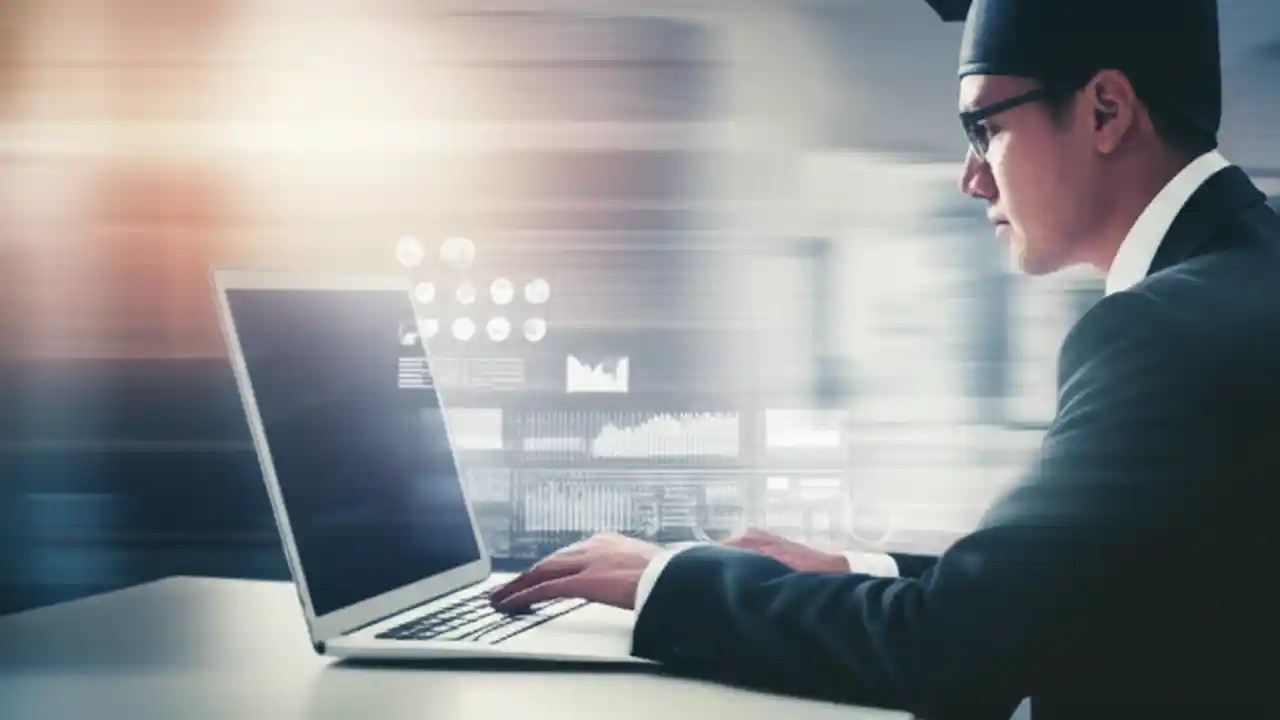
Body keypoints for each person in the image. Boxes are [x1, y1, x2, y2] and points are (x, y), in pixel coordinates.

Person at [491, 1, 1280, 717]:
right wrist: (855, 569)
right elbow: (1089, 586)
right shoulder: (1245, 279)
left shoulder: (1158, 333)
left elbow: (948, 653)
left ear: (1106, 110)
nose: (971, 178)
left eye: (985, 128)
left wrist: (666, 580)